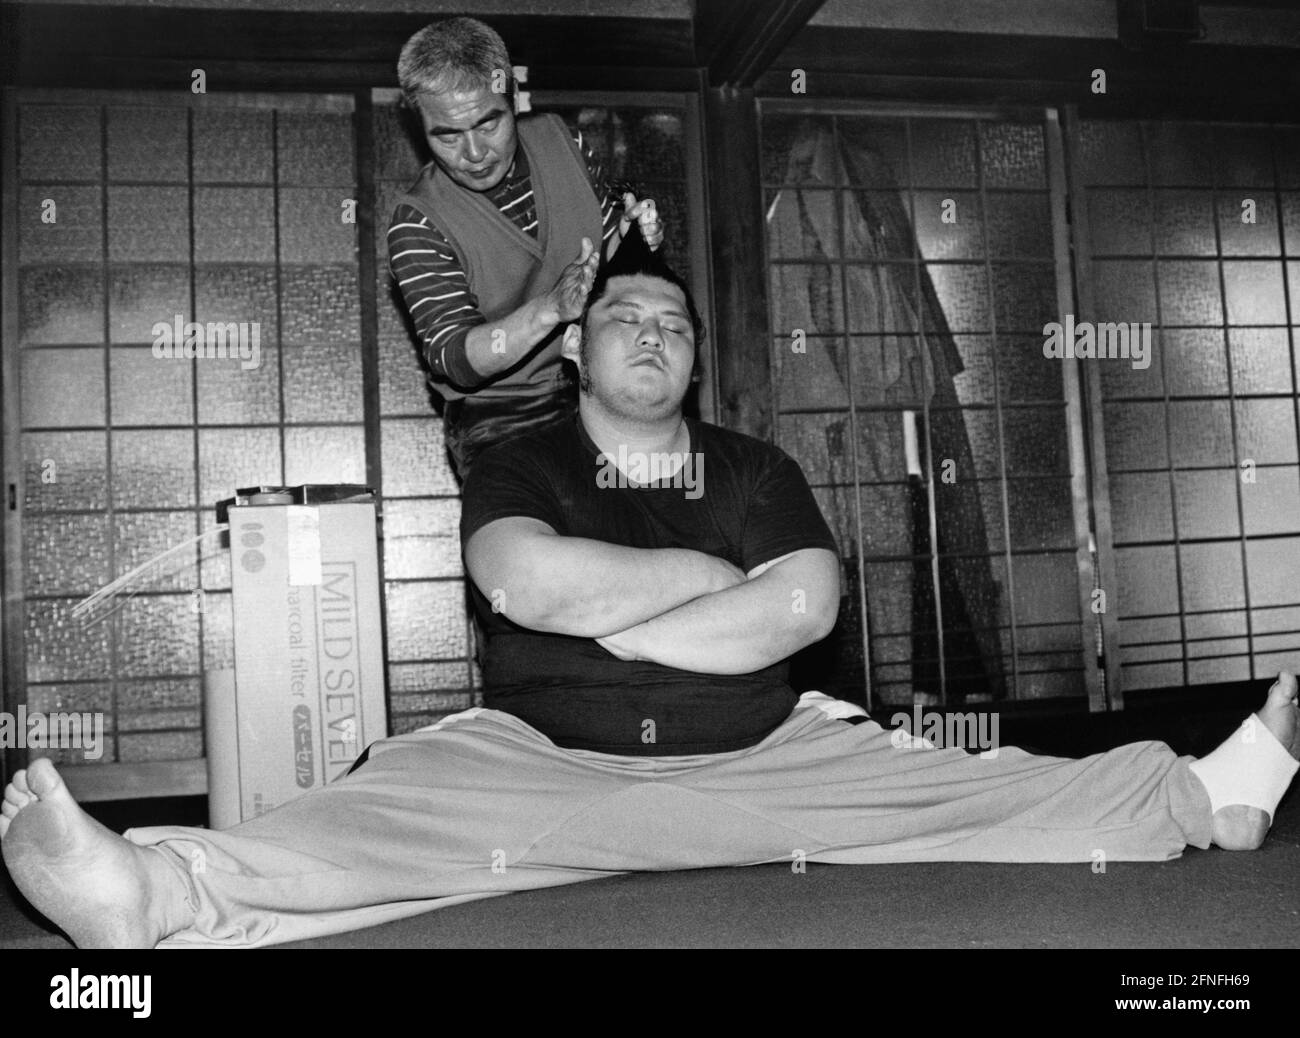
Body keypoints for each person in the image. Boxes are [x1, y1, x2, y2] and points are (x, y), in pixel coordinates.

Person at [2, 244, 1297, 949]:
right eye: (622, 314)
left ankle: (1210, 793)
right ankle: (149, 896)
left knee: (989, 783)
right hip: (539, 755)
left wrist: (609, 608)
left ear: (692, 353)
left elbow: (798, 610)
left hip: (762, 755)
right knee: (367, 810)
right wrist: (692, 581)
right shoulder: (524, 459)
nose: (649, 335)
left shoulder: (753, 463)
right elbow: (517, 579)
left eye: (672, 323)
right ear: (580, 346)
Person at [388, 16, 665, 479]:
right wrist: (549, 309)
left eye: (488, 122)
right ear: (419, 124)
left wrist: (634, 236)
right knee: (535, 531)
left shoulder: (565, 143)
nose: (475, 153)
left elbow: (606, 263)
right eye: (448, 135)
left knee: (661, 505)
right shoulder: (418, 220)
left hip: (595, 383)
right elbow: (455, 357)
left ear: (512, 98)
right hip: (499, 414)